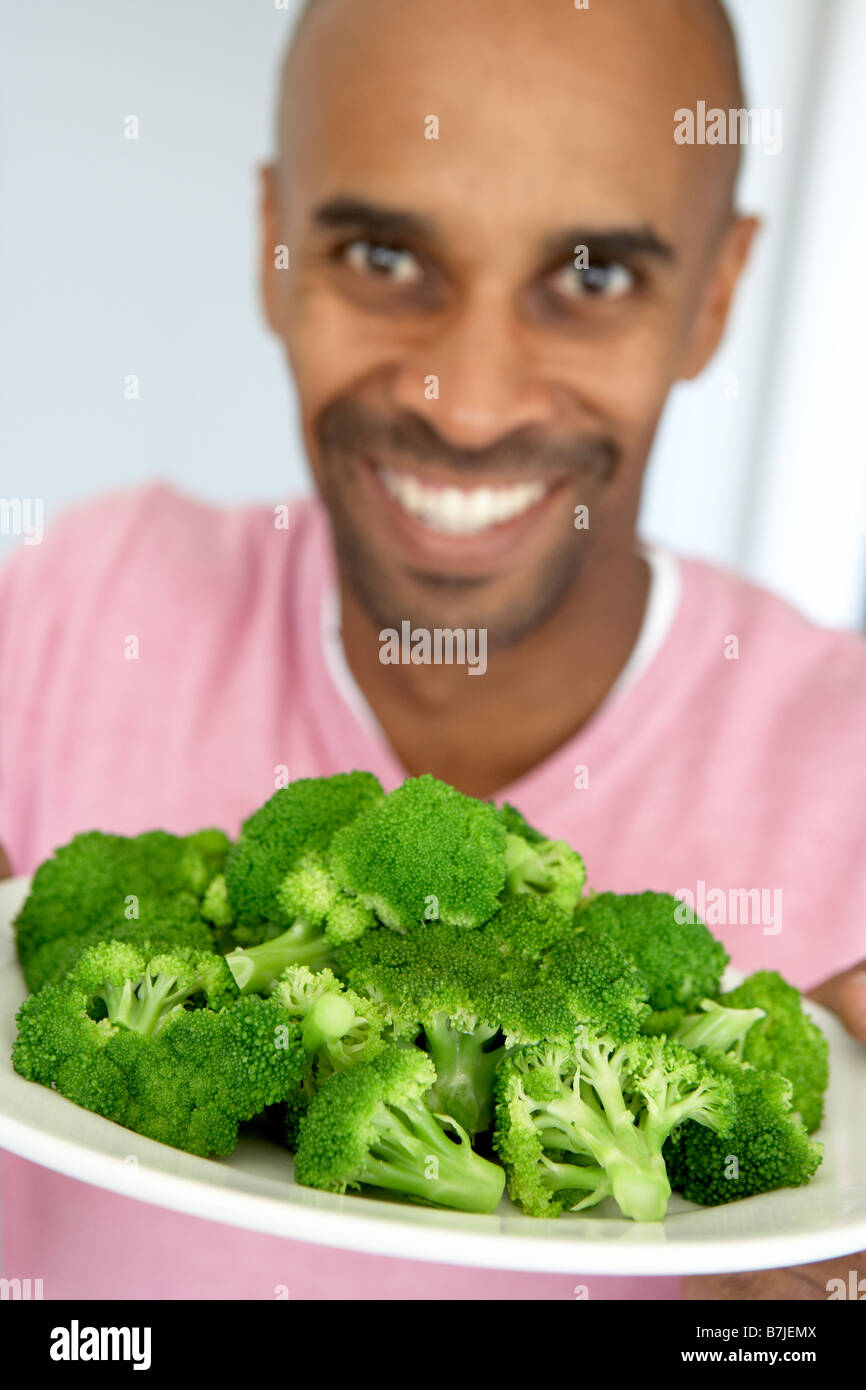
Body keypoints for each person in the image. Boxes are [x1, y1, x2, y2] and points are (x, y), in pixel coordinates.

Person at [1, 0, 863, 1301]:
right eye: (386, 256)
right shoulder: (65, 614)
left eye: (589, 277)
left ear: (713, 297)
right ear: (276, 244)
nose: (465, 401)